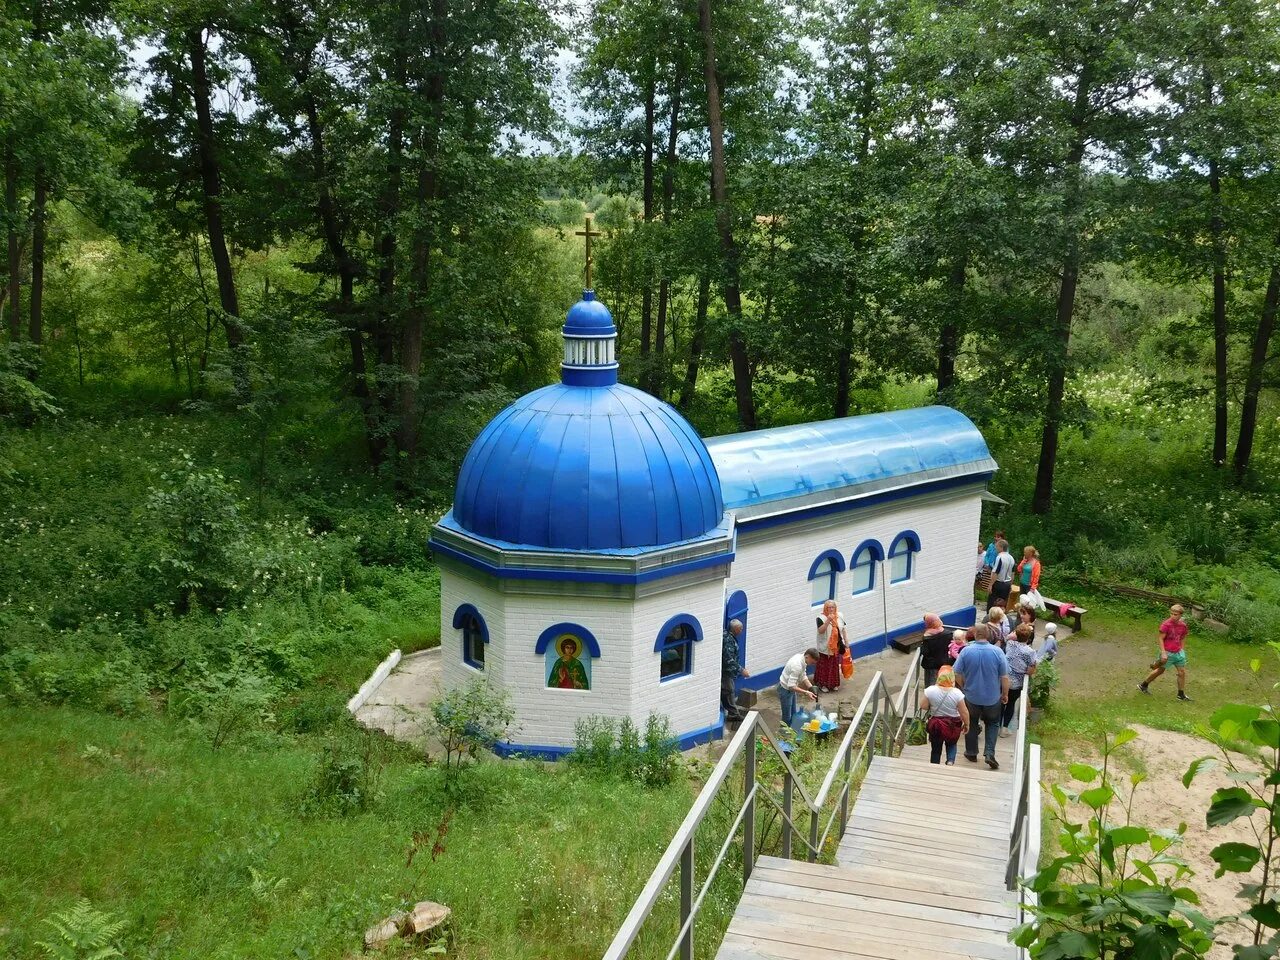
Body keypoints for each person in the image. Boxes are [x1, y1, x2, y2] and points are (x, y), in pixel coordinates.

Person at [952, 623, 1010, 769]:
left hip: (971, 696)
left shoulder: (966, 651)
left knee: (971, 722)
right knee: (993, 723)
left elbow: (956, 672)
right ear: (988, 635)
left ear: (975, 634)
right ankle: (989, 753)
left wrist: (963, 686)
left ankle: (971, 752)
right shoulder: (997, 652)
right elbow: (1004, 677)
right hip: (992, 697)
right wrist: (1005, 694)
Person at [1138, 604, 1192, 701]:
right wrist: (1163, 653)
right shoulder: (1166, 625)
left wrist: (1182, 649)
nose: (1172, 616)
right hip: (1167, 652)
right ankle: (1143, 685)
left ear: (1180, 615)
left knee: (1182, 672)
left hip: (1178, 653)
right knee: (1160, 670)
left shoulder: (1183, 626)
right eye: (1171, 613)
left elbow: (1183, 637)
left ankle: (1181, 695)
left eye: (1175, 614)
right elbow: (1161, 638)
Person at [920, 666, 970, 765]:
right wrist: (967, 724)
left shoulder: (930, 690)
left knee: (936, 748)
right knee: (952, 744)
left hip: (936, 724)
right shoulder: (957, 693)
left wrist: (932, 704)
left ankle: (935, 764)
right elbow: (964, 711)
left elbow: (923, 706)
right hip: (953, 724)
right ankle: (950, 761)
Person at [1002, 624, 1038, 737]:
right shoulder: (1030, 652)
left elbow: (1008, 637)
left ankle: (996, 724)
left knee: (1001, 702)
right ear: (1029, 637)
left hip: (1004, 679)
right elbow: (1031, 670)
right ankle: (1004, 728)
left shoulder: (1010, 644)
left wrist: (1013, 634)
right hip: (1016, 683)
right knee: (1010, 704)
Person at [778, 647, 820, 726]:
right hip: (785, 691)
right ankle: (783, 733)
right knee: (786, 718)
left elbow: (803, 675)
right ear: (807, 656)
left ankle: (792, 730)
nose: (812, 664)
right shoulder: (797, 666)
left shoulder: (801, 658)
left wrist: (811, 688)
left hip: (790, 690)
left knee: (794, 714)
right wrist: (806, 692)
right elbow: (791, 686)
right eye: (812, 662)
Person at [814, 599, 847, 693]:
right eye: (829, 607)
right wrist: (828, 620)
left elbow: (843, 629)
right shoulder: (820, 618)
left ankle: (834, 684)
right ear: (825, 608)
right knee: (825, 666)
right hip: (825, 647)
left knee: (834, 666)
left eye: (833, 607)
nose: (831, 609)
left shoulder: (839, 616)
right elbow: (821, 631)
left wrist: (846, 641)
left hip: (836, 646)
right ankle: (823, 684)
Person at [721, 619, 750, 722]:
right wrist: (741, 670)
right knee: (728, 691)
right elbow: (728, 659)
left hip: (729, 671)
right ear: (736, 629)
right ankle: (733, 714)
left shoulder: (728, 636)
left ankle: (733, 713)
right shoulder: (728, 640)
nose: (742, 630)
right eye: (741, 629)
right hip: (726, 671)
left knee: (729, 691)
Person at [920, 612, 951, 688]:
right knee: (943, 685)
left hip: (932, 666)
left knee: (931, 687)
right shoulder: (948, 634)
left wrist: (922, 644)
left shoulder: (927, 637)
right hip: (945, 664)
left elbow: (924, 652)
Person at [988, 539, 1014, 610]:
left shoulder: (999, 557)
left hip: (998, 583)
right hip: (1007, 584)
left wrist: (990, 585)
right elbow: (1013, 573)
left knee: (992, 604)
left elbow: (996, 572)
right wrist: (1010, 584)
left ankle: (991, 616)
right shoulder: (1011, 558)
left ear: (1001, 547)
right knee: (1002, 604)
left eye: (997, 547)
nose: (996, 548)